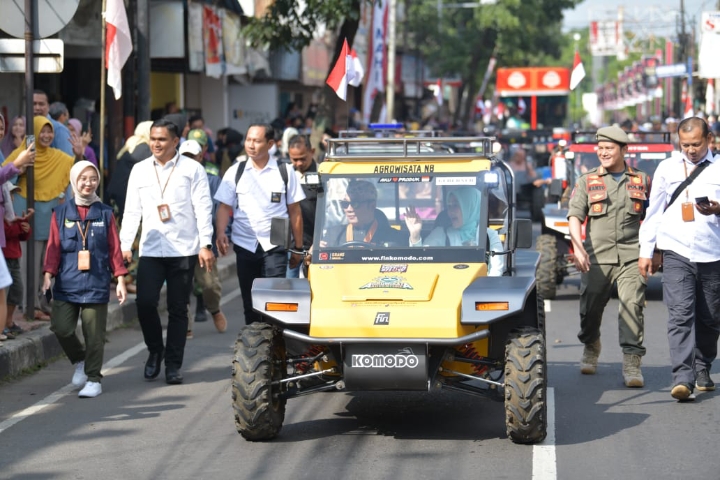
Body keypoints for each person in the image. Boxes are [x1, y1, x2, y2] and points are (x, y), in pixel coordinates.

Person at [120, 118, 214, 385]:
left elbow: (203, 208)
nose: (156, 144)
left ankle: (173, 364)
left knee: (178, 309)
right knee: (145, 303)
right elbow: (131, 211)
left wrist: (205, 244)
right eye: (153, 139)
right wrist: (125, 245)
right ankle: (155, 351)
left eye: (162, 139)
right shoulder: (139, 170)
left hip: (183, 249)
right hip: (151, 248)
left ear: (175, 142)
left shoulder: (192, 169)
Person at [638, 117, 720, 401]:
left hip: (713, 254)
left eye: (696, 144)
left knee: (710, 318)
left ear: (709, 139)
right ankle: (682, 377)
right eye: (685, 145)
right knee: (680, 314)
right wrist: (646, 252)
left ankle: (702, 367)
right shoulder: (668, 168)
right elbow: (653, 212)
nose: (691, 150)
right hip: (676, 251)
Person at [567, 125, 650, 388]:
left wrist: (653, 251)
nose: (603, 152)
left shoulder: (641, 180)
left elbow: (653, 219)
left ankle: (632, 361)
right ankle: (591, 344)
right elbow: (574, 216)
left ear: (624, 150)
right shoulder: (587, 180)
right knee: (589, 310)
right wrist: (578, 247)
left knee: (632, 308)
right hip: (596, 259)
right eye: (600, 148)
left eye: (609, 148)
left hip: (631, 256)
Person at [42, 161, 128, 398]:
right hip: (67, 282)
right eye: (83, 178)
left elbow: (114, 249)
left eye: (92, 178)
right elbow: (53, 247)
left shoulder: (105, 213)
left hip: (96, 281)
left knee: (94, 335)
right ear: (73, 181)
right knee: (61, 327)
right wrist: (48, 275)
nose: (88, 183)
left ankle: (93, 379)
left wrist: (120, 279)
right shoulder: (60, 213)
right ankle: (79, 359)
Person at [215, 123, 305, 324]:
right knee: (250, 303)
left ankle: (274, 347)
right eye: (248, 140)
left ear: (270, 143)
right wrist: (221, 232)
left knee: (273, 302)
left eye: (257, 140)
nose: (251, 145)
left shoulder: (285, 171)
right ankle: (254, 349)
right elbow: (223, 207)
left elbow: (295, 211)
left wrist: (298, 248)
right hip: (245, 244)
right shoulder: (236, 171)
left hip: (275, 245)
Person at [2, 116, 77, 320]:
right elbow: (5, 177)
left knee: (48, 261)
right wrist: (22, 168)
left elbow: (77, 169)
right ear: (33, 132)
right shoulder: (24, 153)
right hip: (27, 211)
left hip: (49, 213)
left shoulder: (58, 156)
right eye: (41, 131)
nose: (46, 135)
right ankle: (29, 306)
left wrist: (80, 154)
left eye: (49, 131)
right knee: (28, 262)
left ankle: (42, 302)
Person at [178, 139, 227, 336]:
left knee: (209, 284)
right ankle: (186, 323)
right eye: (185, 157)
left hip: (203, 241)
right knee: (181, 285)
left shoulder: (212, 180)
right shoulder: (173, 178)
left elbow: (217, 210)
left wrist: (217, 236)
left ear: (201, 157)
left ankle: (214, 309)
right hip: (180, 242)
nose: (189, 160)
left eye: (193, 157)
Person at [404, 187, 505, 276]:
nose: (450, 211)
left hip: (478, 293)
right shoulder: (441, 233)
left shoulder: (489, 235)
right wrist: (415, 236)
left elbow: (496, 270)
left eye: (456, 205)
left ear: (470, 206)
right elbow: (420, 262)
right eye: (449, 206)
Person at [321, 180, 406, 248]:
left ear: (372, 205)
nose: (349, 209)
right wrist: (314, 251)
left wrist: (415, 237)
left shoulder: (392, 237)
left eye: (355, 204)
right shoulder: (333, 234)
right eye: (345, 204)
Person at [285, 135, 318, 278]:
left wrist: (317, 244)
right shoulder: (284, 175)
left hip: (316, 247)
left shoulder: (324, 175)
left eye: (303, 158)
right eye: (294, 159)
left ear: (312, 151)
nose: (298, 163)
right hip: (290, 249)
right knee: (288, 294)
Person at [3, 184, 33, 338]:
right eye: (9, 194)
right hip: (5, 258)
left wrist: (25, 229)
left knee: (16, 290)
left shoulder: (11, 214)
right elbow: (6, 231)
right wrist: (21, 228)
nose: (12, 197)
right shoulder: (4, 215)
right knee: (6, 292)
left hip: (14, 257)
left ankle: (8, 322)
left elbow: (20, 235)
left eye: (12, 194)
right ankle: (4, 324)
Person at [33, 90, 73, 156]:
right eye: (33, 104)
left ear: (48, 107)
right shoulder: (25, 126)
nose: (37, 108)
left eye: (41, 104)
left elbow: (67, 159)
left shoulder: (59, 129)